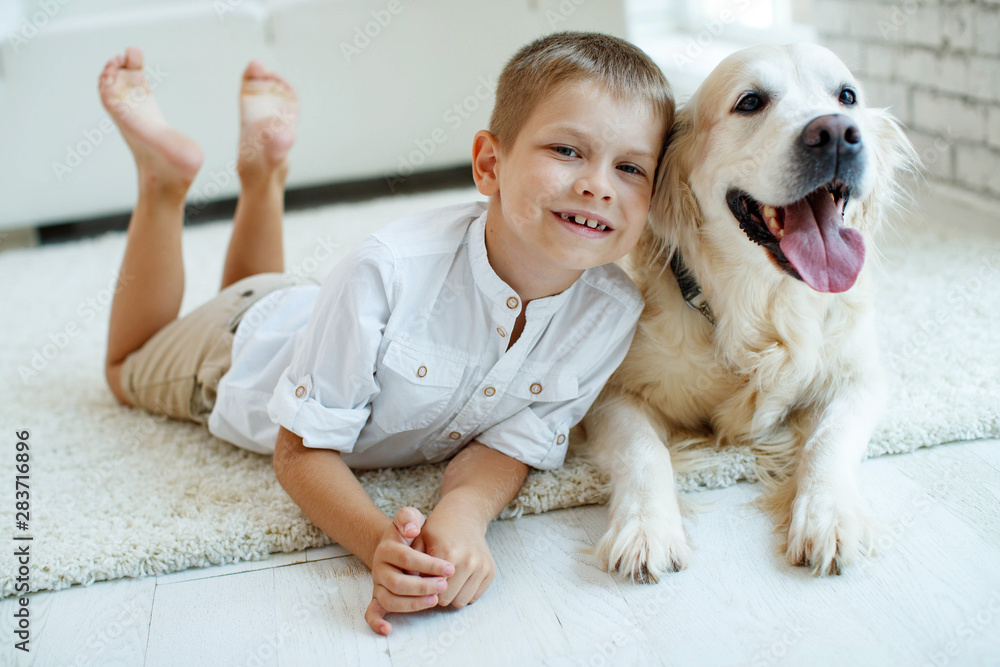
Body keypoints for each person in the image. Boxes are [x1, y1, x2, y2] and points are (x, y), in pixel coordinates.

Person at [100, 31, 673, 635]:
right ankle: (163, 182)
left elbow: (516, 439)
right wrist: (378, 544)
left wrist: (464, 512)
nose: (599, 185)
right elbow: (299, 451)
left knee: (260, 284)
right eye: (566, 150)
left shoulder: (612, 311)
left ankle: (264, 167)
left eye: (631, 167)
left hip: (302, 310)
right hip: (231, 352)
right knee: (126, 366)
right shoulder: (387, 268)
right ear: (489, 164)